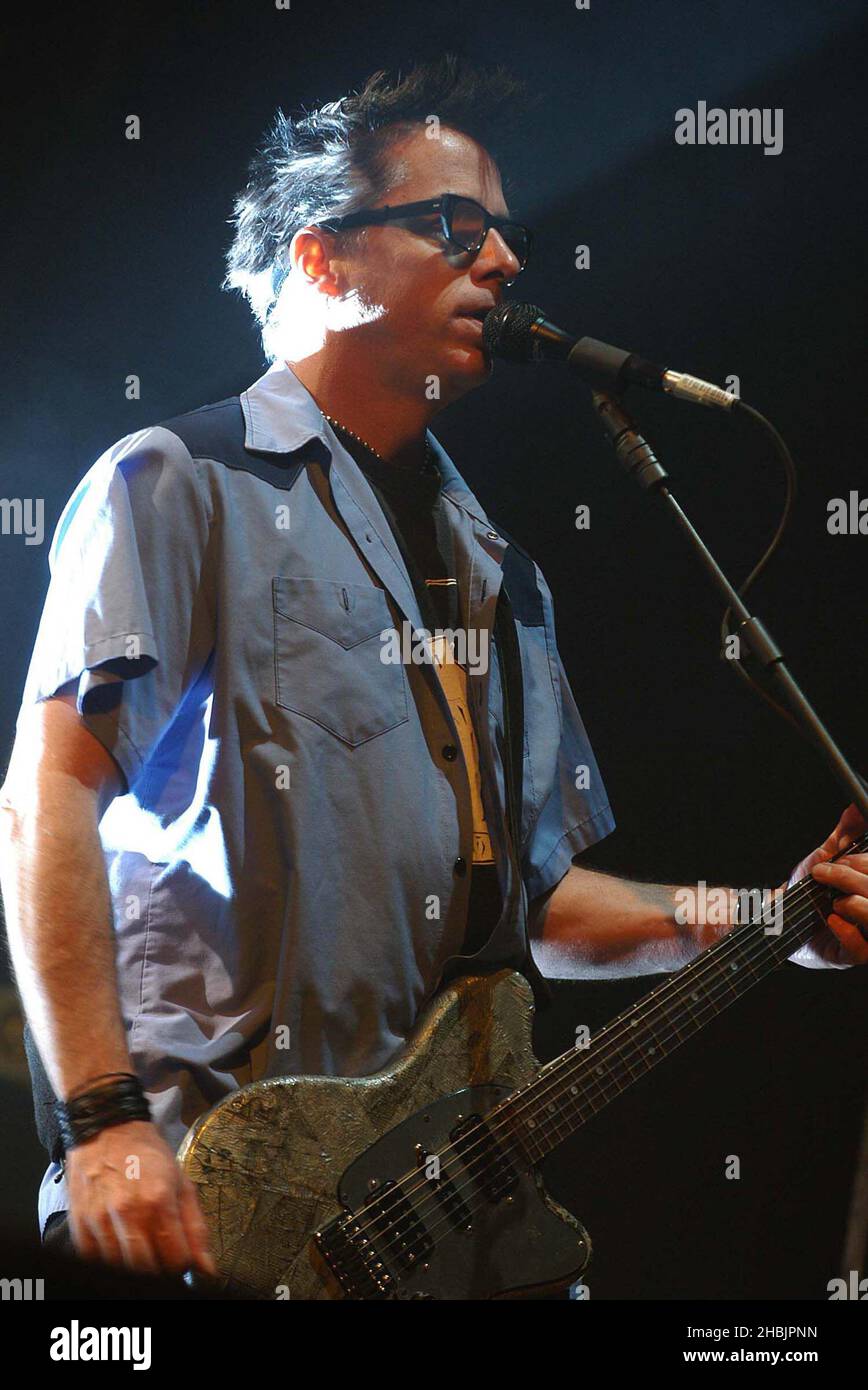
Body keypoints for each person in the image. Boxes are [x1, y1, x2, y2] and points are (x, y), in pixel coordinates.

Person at [1, 55, 865, 1282]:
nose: (506, 263)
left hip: (439, 1232)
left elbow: (536, 911)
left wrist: (766, 923)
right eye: (453, 227)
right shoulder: (180, 480)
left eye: (505, 234)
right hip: (212, 1201)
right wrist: (99, 1120)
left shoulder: (498, 567)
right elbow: (47, 798)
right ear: (323, 259)